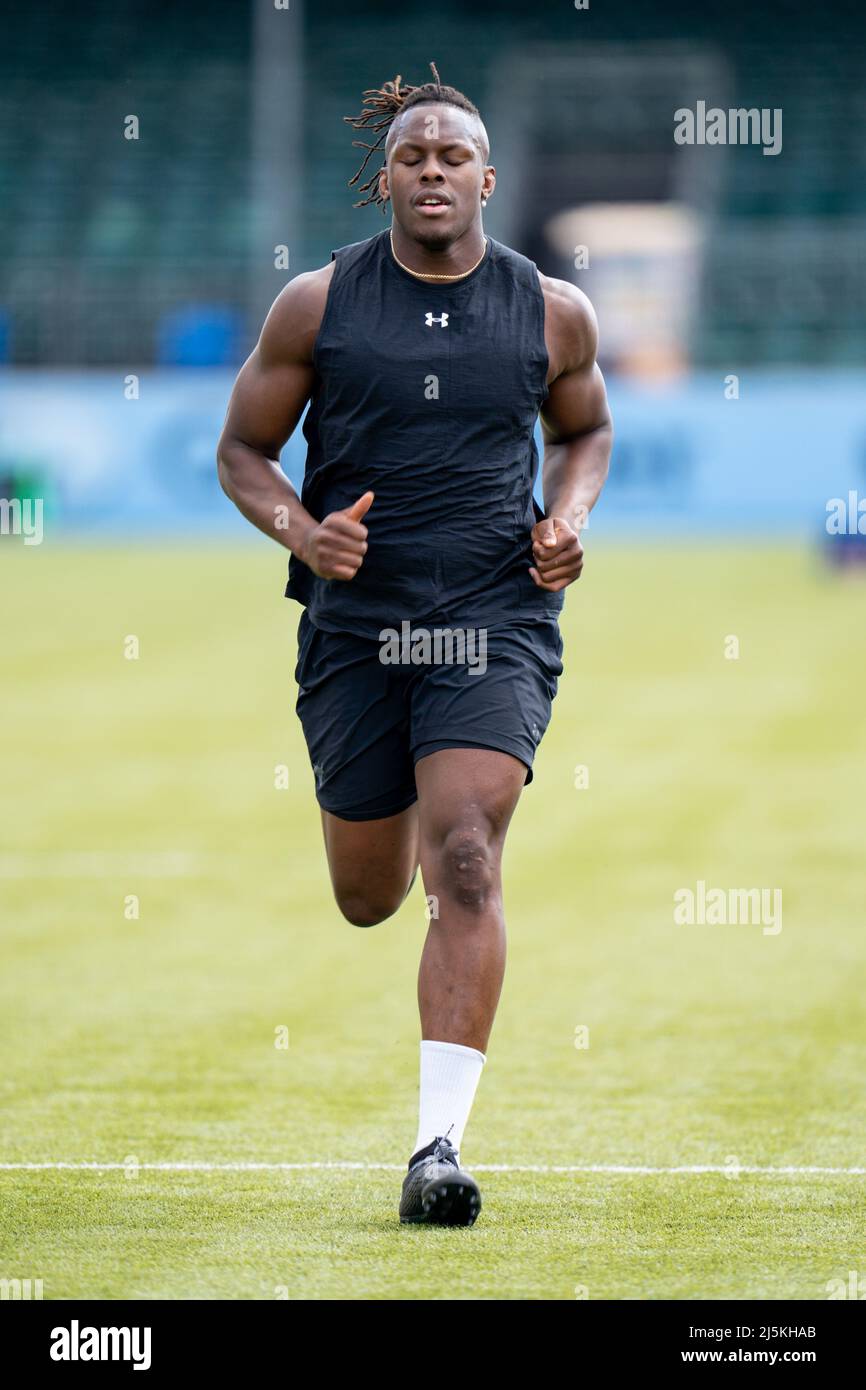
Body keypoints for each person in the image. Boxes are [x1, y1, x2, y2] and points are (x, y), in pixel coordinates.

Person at [217, 63, 612, 1226]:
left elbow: (583, 431)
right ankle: (378, 853)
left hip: (492, 616)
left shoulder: (549, 308)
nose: (431, 171)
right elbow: (243, 452)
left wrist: (566, 518)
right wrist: (302, 530)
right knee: (367, 895)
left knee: (469, 856)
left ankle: (434, 1147)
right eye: (412, 156)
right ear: (382, 178)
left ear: (489, 178)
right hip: (355, 627)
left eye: (453, 157)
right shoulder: (317, 305)